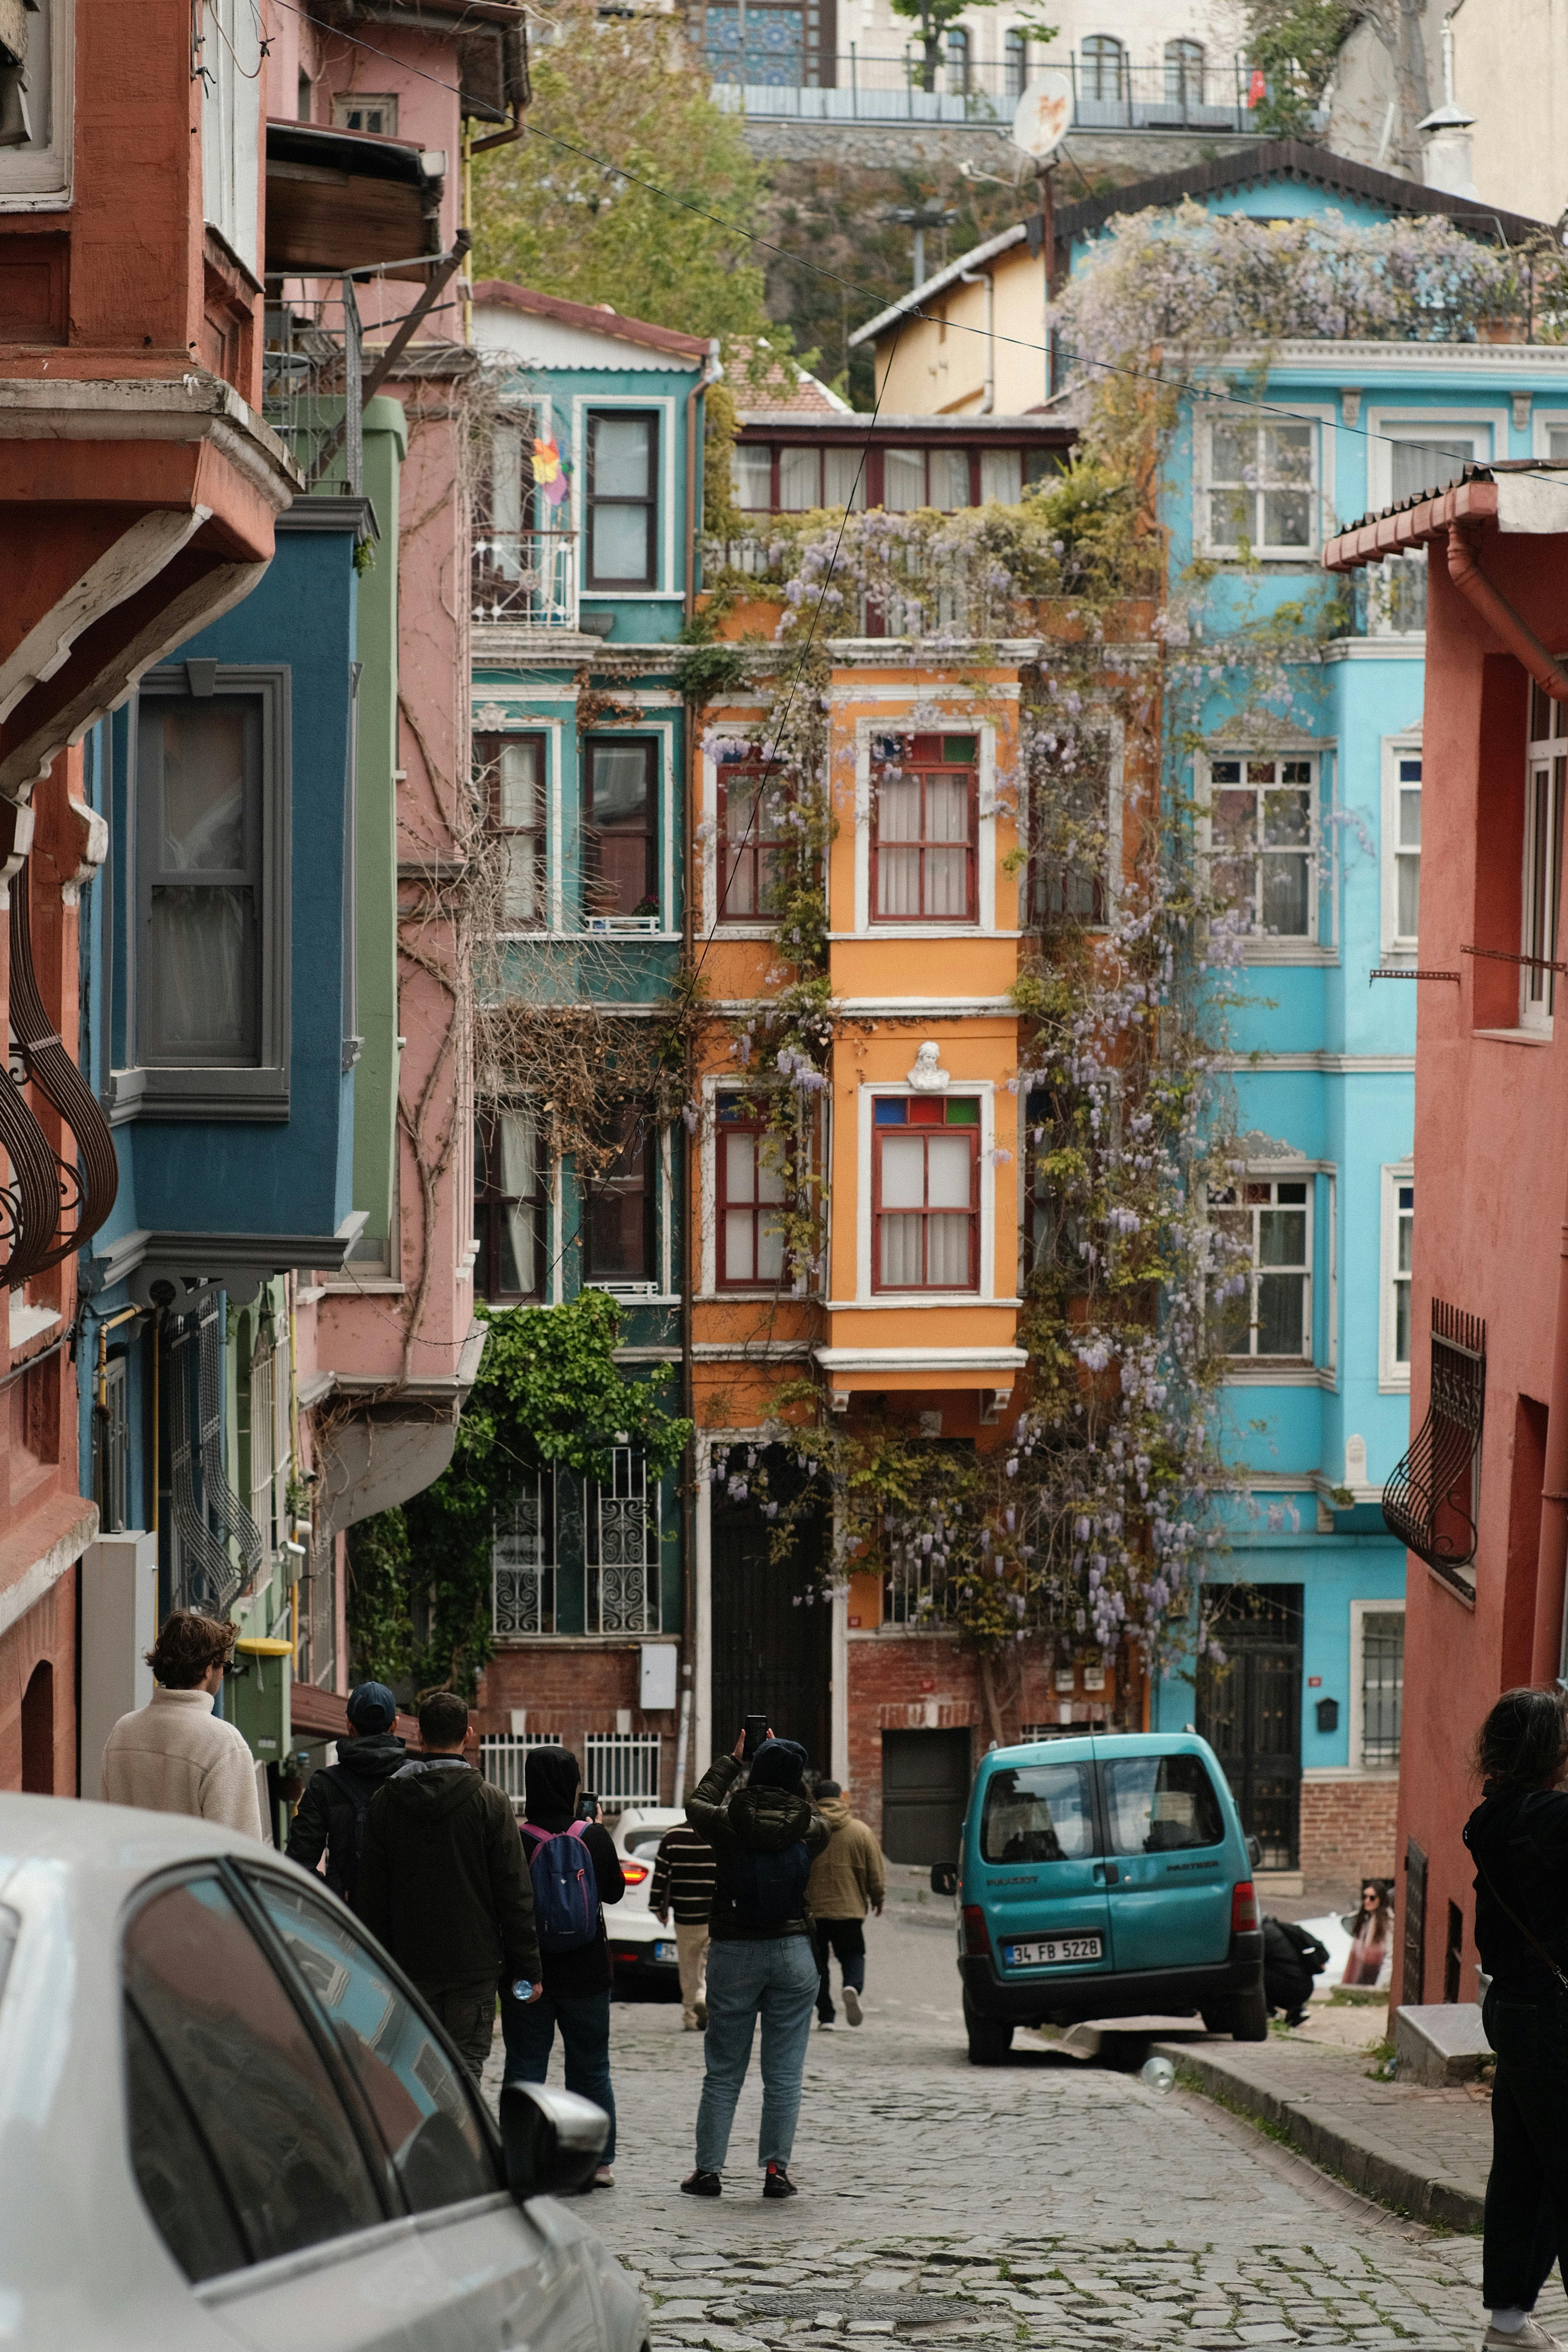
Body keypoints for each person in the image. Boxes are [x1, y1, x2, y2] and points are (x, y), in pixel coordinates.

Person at [354, 1689, 541, 2084]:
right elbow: (514, 1892)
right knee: (465, 2070)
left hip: (408, 1964)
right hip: (472, 1964)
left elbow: (371, 1891)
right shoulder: (491, 1803)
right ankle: (462, 2143)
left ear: (420, 1736)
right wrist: (527, 1968)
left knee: (407, 2069)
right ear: (468, 1735)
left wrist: (372, 1963)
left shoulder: (386, 1801)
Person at [681, 1728, 829, 2202]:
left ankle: (708, 2172)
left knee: (723, 2068)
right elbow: (818, 1816)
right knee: (783, 2072)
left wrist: (734, 1759)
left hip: (735, 1949)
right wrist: (784, 1762)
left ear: (753, 1772)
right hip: (791, 1951)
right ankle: (775, 2172)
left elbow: (696, 1803)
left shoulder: (726, 1821)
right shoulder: (809, 1827)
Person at [1465, 1686, 1568, 2352]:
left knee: (1526, 2166)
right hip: (1552, 2017)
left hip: (1513, 2007)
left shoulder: (1495, 1816)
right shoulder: (1547, 1817)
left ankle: (1508, 2321)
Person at [503, 1747, 626, 2189]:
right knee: (591, 2067)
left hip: (528, 1975)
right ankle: (597, 2162)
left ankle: (522, 2159)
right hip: (588, 1973)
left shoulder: (517, 1839)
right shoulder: (592, 1837)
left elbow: (506, 1906)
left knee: (525, 2066)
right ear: (573, 1784)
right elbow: (612, 1894)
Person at [101, 1609, 263, 1839]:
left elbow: (109, 1826)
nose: (223, 1675)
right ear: (209, 1669)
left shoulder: (124, 1730)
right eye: (224, 1667)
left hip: (131, 1874)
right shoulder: (224, 1745)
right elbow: (241, 1852)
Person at [285, 1680, 407, 1904]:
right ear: (395, 1725)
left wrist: (335, 1895)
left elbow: (298, 1865)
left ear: (350, 1725)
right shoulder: (414, 1779)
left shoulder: (325, 1785)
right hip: (402, 1922)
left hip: (348, 1923)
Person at [806, 1779, 885, 2030]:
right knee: (852, 1955)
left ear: (816, 1800)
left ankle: (826, 2016)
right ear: (842, 1798)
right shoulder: (860, 1831)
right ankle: (852, 1986)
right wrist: (878, 1898)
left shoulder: (807, 1830)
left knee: (818, 1966)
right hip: (849, 1909)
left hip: (813, 1911)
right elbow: (875, 1872)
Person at [651, 1815, 717, 2031]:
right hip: (714, 1913)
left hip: (685, 1914)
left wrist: (657, 1906)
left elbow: (661, 1874)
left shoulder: (673, 1837)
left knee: (688, 1967)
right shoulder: (719, 1836)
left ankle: (690, 2017)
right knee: (710, 1962)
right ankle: (704, 1994)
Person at [1260, 1914, 1328, 2027]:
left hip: (1286, 1989)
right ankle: (1296, 2010)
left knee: (1249, 1971)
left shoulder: (1262, 1934)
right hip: (1306, 1985)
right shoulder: (1282, 1927)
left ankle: (1270, 2011)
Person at [1341, 1878, 1395, 1988]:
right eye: (1365, 1897)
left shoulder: (1387, 1922)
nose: (1367, 1901)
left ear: (1381, 1900)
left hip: (1377, 1977)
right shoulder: (1364, 1920)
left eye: (1372, 1898)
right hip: (1360, 1975)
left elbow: (1390, 1955)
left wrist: (1380, 1985)